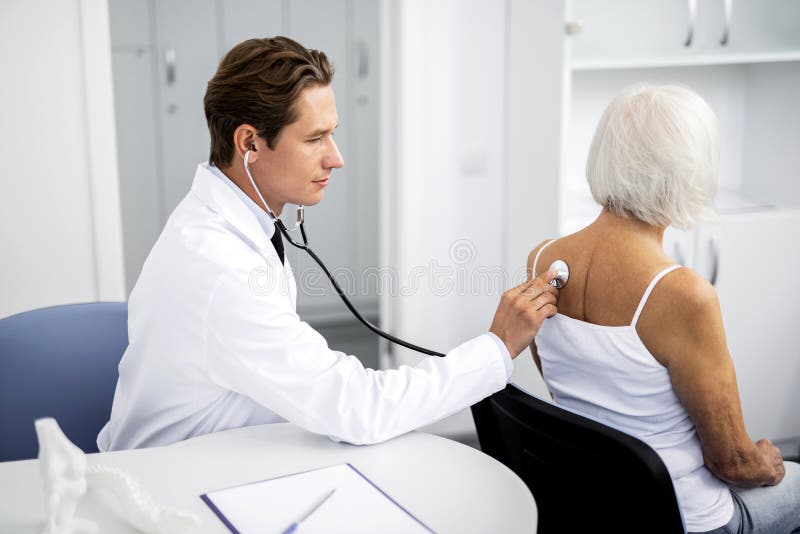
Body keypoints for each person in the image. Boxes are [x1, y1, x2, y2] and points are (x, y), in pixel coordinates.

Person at [97, 36, 559, 451]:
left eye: (331, 134)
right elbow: (359, 409)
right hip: (175, 488)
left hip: (230, 451)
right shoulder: (220, 269)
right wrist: (498, 347)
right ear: (249, 143)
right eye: (315, 138)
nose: (336, 158)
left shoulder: (225, 219)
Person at [528, 84, 799, 533]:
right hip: (684, 518)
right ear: (687, 170)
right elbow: (732, 462)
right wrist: (769, 466)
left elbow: (569, 388)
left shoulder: (542, 259)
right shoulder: (683, 295)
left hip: (595, 500)